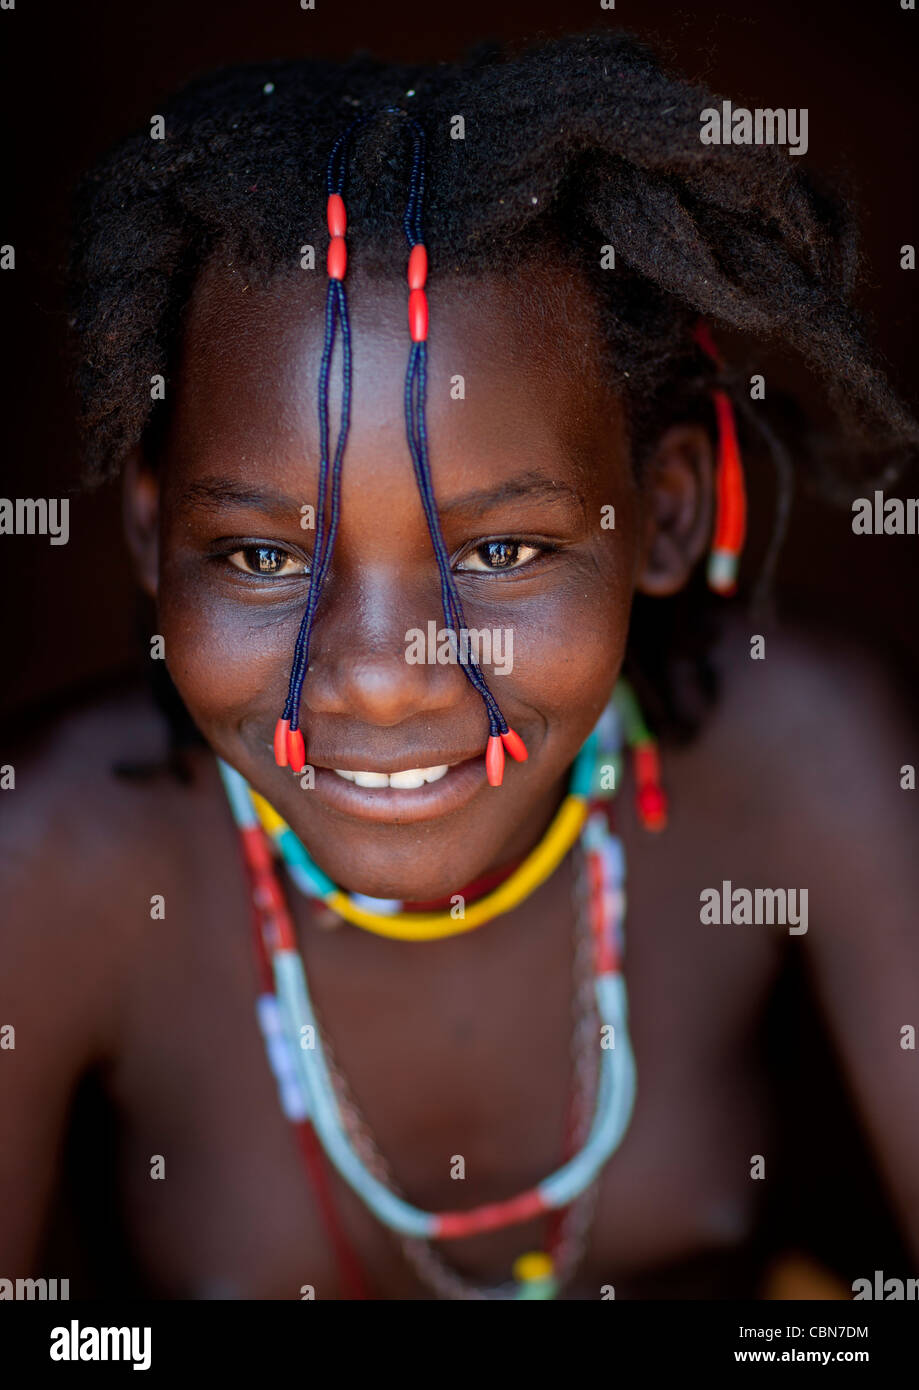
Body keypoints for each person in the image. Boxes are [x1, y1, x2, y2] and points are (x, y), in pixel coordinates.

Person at [2, 31, 917, 1300]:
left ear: (662, 515)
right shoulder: (55, 858)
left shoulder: (808, 752)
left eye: (501, 546)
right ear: (155, 537)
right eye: (262, 558)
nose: (381, 677)